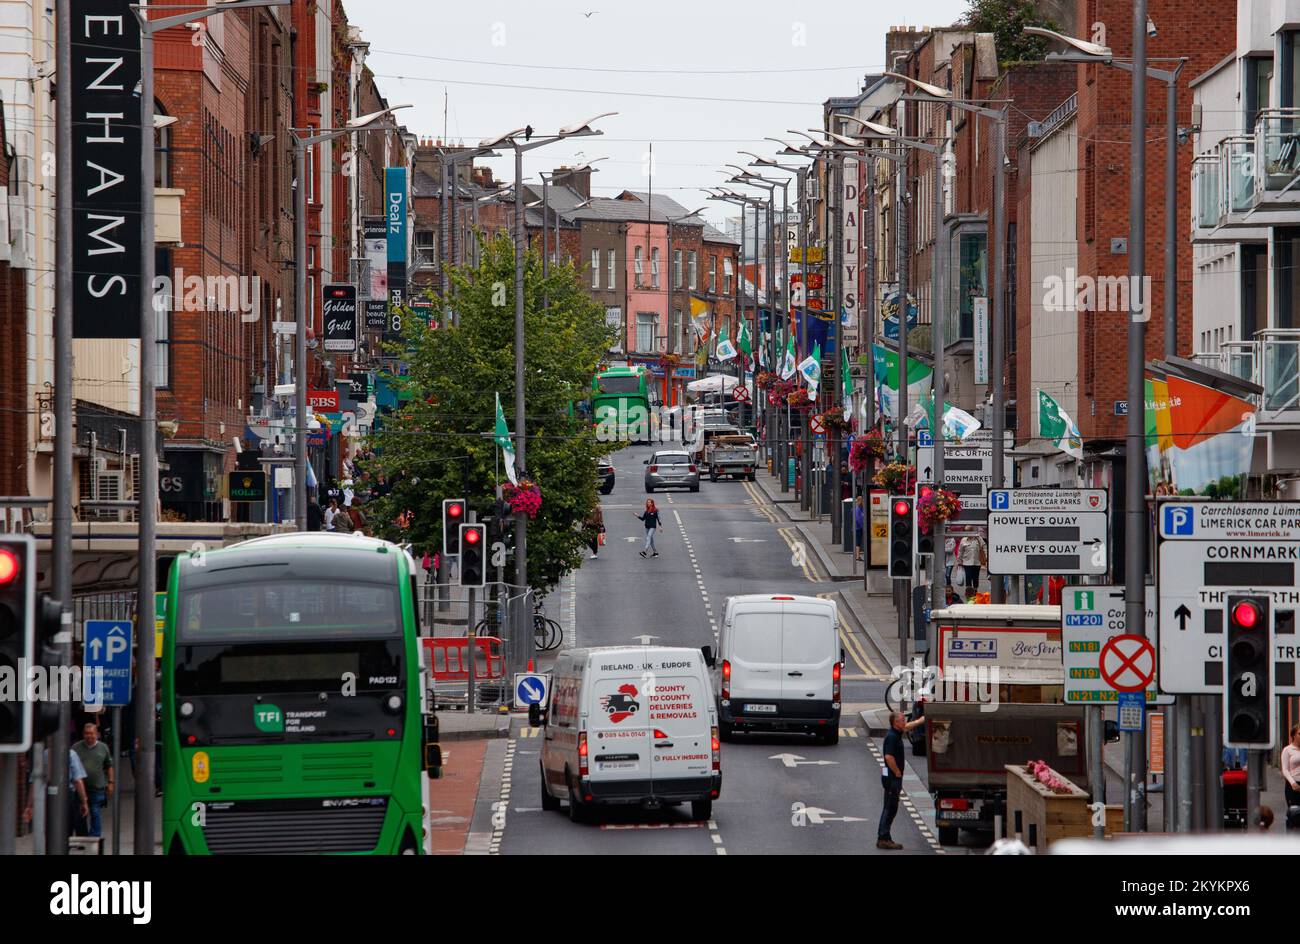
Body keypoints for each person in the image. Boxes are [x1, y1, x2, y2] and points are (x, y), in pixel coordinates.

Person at [878, 710, 925, 850]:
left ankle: (884, 836)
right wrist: (897, 772)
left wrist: (922, 720)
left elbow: (909, 726)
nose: (904, 722)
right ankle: (883, 838)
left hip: (892, 778)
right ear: (895, 723)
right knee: (889, 808)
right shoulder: (892, 737)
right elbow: (888, 757)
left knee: (891, 807)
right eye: (902, 720)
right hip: (892, 778)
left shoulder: (897, 731)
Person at [72, 722, 113, 839]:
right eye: (86, 733)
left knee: (95, 812)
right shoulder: (76, 748)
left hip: (97, 788)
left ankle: (94, 838)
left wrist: (110, 783)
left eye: (91, 733)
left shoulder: (103, 747)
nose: (89, 736)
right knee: (80, 814)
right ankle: (82, 837)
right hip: (80, 788)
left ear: (97, 734)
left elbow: (109, 765)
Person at [957, 532, 987, 600]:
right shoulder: (964, 540)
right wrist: (959, 561)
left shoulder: (978, 538)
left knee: (975, 578)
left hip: (977, 562)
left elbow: (984, 547)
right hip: (967, 562)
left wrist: (986, 556)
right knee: (968, 577)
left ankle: (975, 592)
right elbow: (960, 551)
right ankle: (969, 594)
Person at [1282, 725, 1300, 812]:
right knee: (1294, 813)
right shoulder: (1287, 750)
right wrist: (1293, 783)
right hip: (1293, 784)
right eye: (1299, 734)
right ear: (1294, 735)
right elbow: (1285, 769)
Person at [853, 495, 865, 562]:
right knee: (858, 541)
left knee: (858, 541)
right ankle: (857, 556)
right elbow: (858, 519)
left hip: (858, 527)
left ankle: (858, 555)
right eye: (862, 501)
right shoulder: (858, 509)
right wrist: (862, 526)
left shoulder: (859, 508)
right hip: (858, 527)